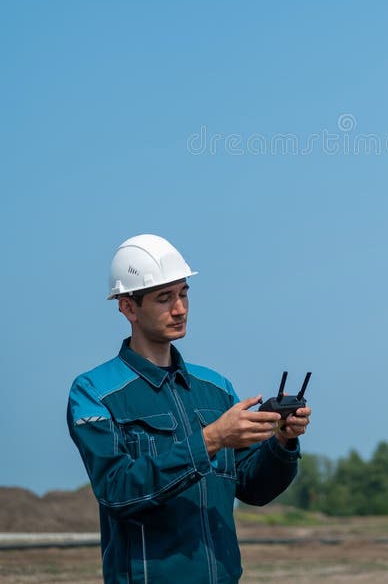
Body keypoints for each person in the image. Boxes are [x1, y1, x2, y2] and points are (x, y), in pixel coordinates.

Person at [67, 234, 311, 584]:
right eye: (164, 298)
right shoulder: (94, 392)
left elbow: (253, 489)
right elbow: (117, 491)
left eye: (183, 293)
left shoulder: (215, 388)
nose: (180, 308)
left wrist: (283, 444)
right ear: (128, 307)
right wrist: (210, 439)